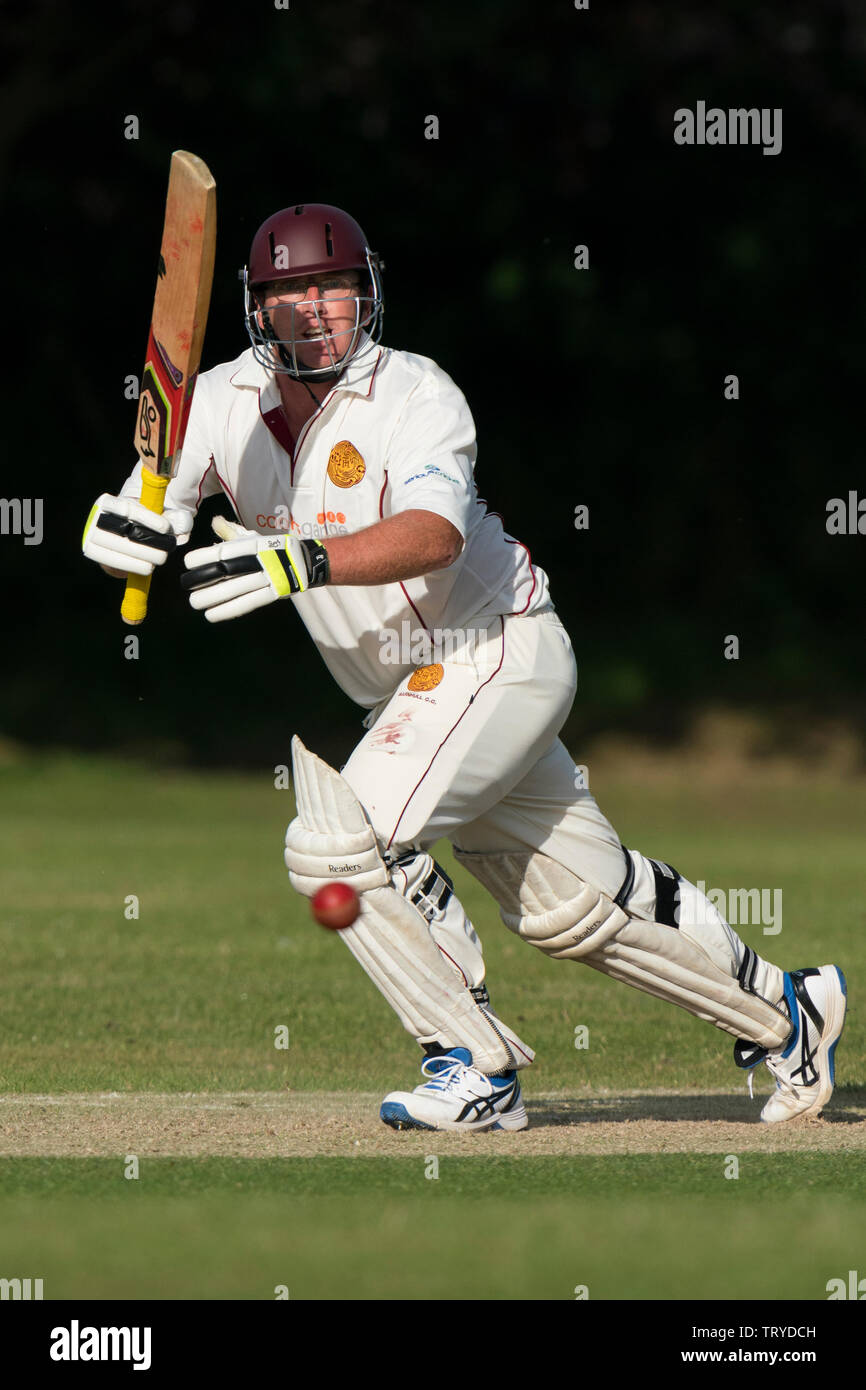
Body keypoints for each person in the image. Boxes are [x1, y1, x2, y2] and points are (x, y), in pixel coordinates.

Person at [82, 203, 847, 1132]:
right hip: (413, 697)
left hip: (497, 647)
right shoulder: (214, 405)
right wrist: (129, 533)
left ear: (368, 297)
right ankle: (790, 1015)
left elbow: (435, 535)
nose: (317, 309)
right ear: (258, 308)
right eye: (293, 291)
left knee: (339, 842)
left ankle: (473, 1065)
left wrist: (302, 558)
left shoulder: (417, 395)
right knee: (572, 907)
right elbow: (149, 501)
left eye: (337, 287)